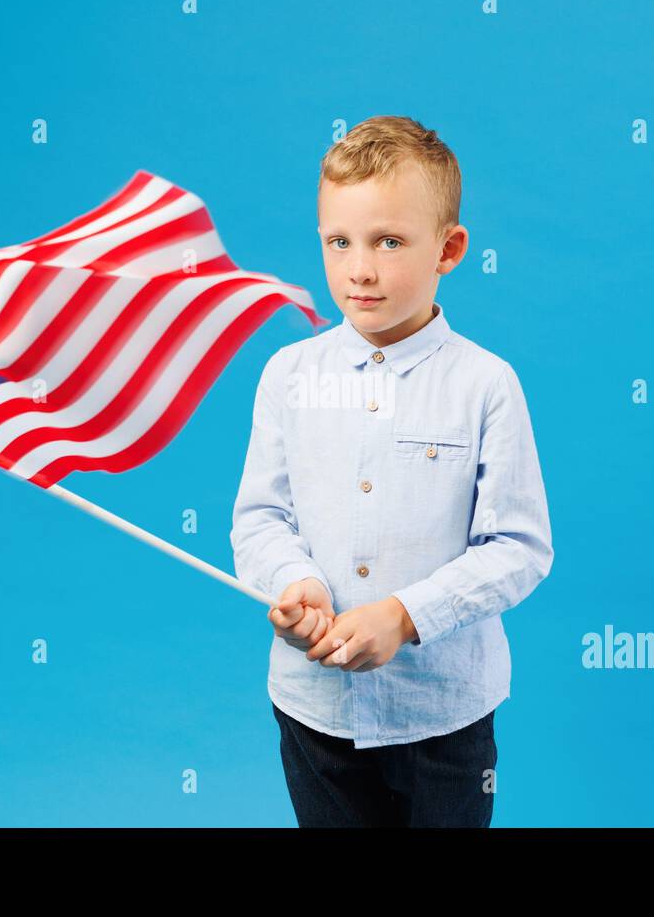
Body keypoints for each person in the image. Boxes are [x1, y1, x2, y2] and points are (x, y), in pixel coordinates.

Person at [230, 115, 553, 827]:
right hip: (313, 710)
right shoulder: (289, 374)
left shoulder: (485, 384)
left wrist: (405, 617)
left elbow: (520, 549)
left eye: (389, 242)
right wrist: (297, 583)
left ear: (450, 248)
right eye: (339, 242)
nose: (360, 269)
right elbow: (261, 518)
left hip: (444, 714)